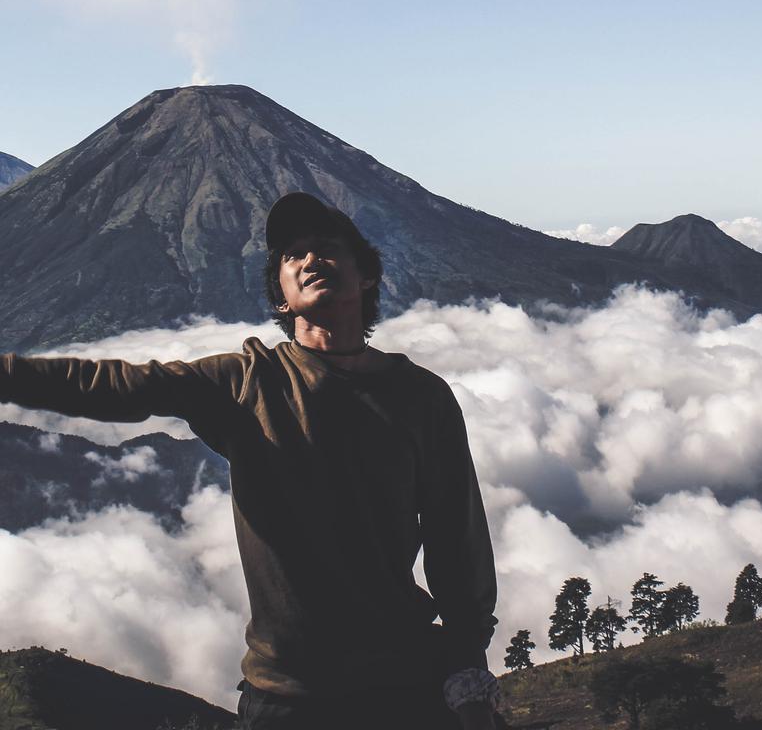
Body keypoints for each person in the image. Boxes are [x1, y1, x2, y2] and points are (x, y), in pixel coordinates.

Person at [0, 191, 500, 730]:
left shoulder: (421, 396)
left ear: (367, 276)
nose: (311, 259)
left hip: (407, 684)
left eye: (328, 247)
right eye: (293, 254)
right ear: (281, 299)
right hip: (288, 696)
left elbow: (456, 537)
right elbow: (120, 386)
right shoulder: (248, 383)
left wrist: (469, 674)